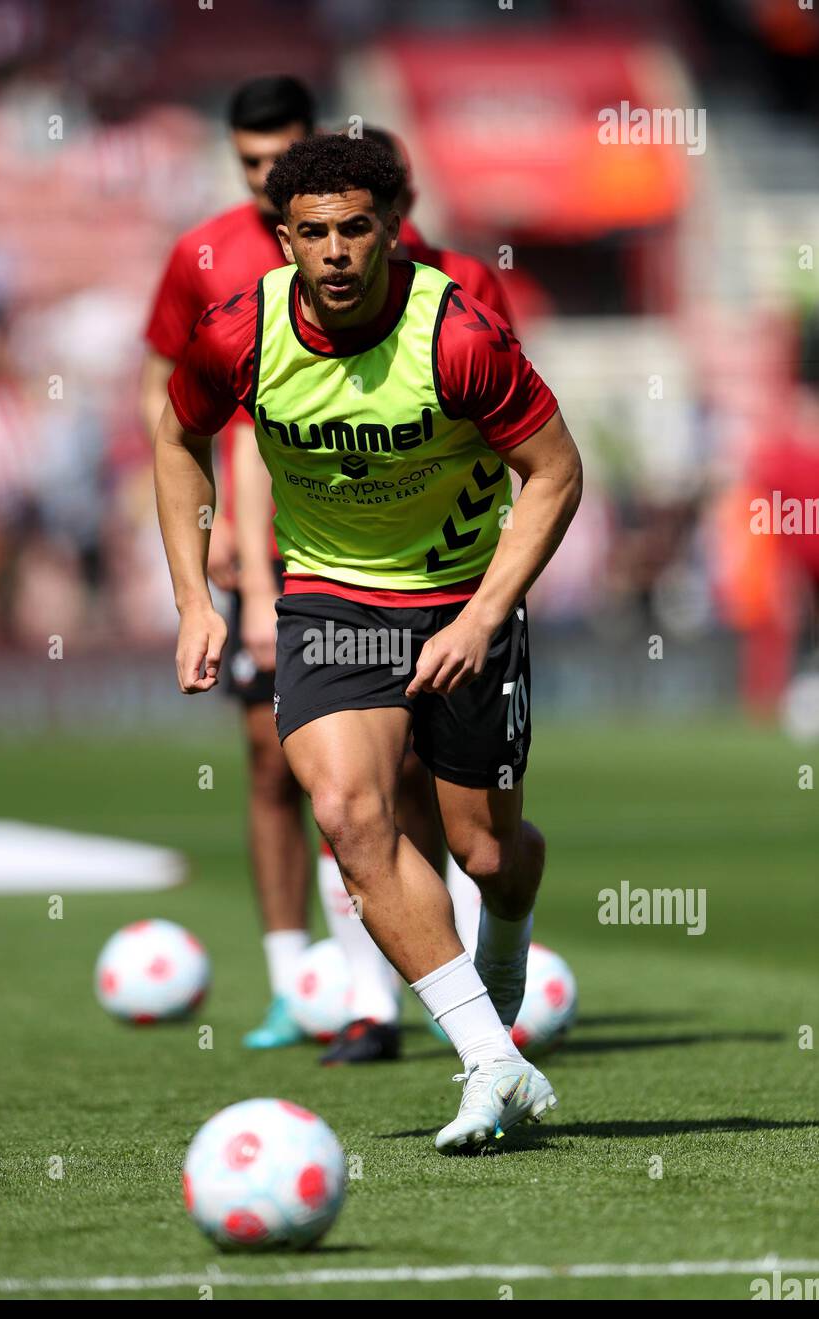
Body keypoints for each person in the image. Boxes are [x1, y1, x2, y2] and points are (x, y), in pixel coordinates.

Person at [154, 134, 582, 1152]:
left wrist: (483, 618)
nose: (336, 252)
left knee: (486, 849)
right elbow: (177, 440)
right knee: (349, 811)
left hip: (463, 600)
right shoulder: (238, 334)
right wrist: (194, 600)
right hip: (329, 603)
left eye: (355, 229)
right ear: (282, 236)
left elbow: (557, 474)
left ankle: (510, 938)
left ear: (393, 230)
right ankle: (490, 1060)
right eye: (313, 233)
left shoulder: (461, 337)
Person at [140, 75, 318, 1049]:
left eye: (280, 160)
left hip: (359, 537)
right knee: (268, 760)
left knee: (382, 765)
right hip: (253, 551)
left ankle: (380, 971)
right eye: (249, 164)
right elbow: (160, 387)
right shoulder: (200, 255)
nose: (264, 181)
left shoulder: (363, 243)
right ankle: (298, 982)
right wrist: (191, 514)